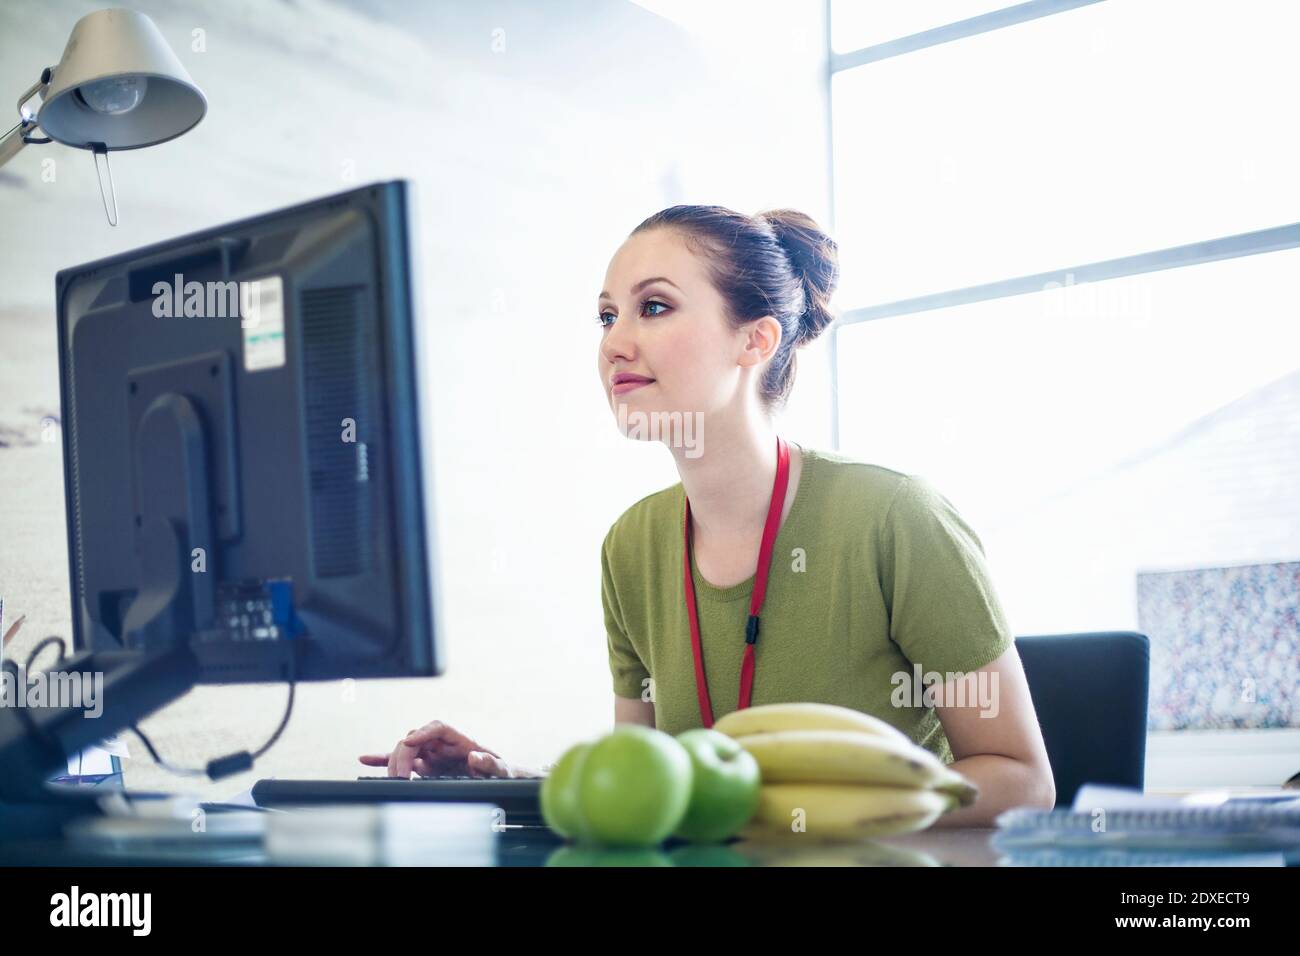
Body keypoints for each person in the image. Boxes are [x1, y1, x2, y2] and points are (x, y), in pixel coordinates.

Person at [360, 205, 1055, 825]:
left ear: (754, 341)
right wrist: (509, 782)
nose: (614, 343)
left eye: (653, 308)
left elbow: (1023, 782)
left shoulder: (894, 516)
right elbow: (654, 786)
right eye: (607, 316)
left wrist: (802, 815)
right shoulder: (631, 546)